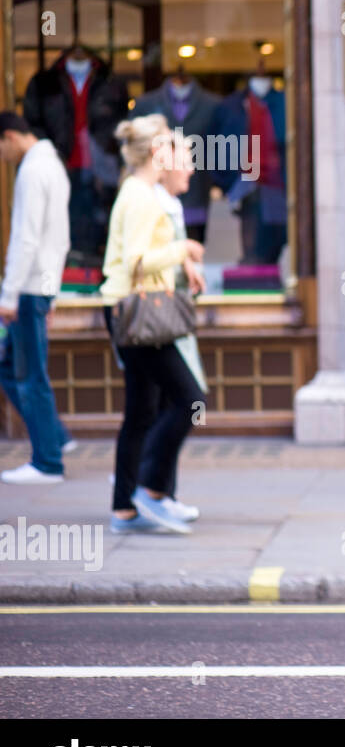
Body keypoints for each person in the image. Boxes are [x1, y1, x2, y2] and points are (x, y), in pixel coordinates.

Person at [100, 116, 207, 535]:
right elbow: (137, 261)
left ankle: (125, 509)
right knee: (189, 400)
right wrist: (183, 247)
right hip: (140, 314)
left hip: (129, 311)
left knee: (141, 412)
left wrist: (178, 255)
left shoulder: (135, 192)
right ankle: (150, 490)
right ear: (155, 154)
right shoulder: (142, 197)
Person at [0, 111, 72, 484]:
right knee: (16, 369)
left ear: (10, 136)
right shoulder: (53, 166)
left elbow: (27, 239)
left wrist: (9, 294)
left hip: (28, 289)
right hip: (39, 286)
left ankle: (47, 460)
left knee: (29, 376)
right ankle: (55, 439)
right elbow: (58, 240)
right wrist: (52, 293)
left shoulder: (31, 171)